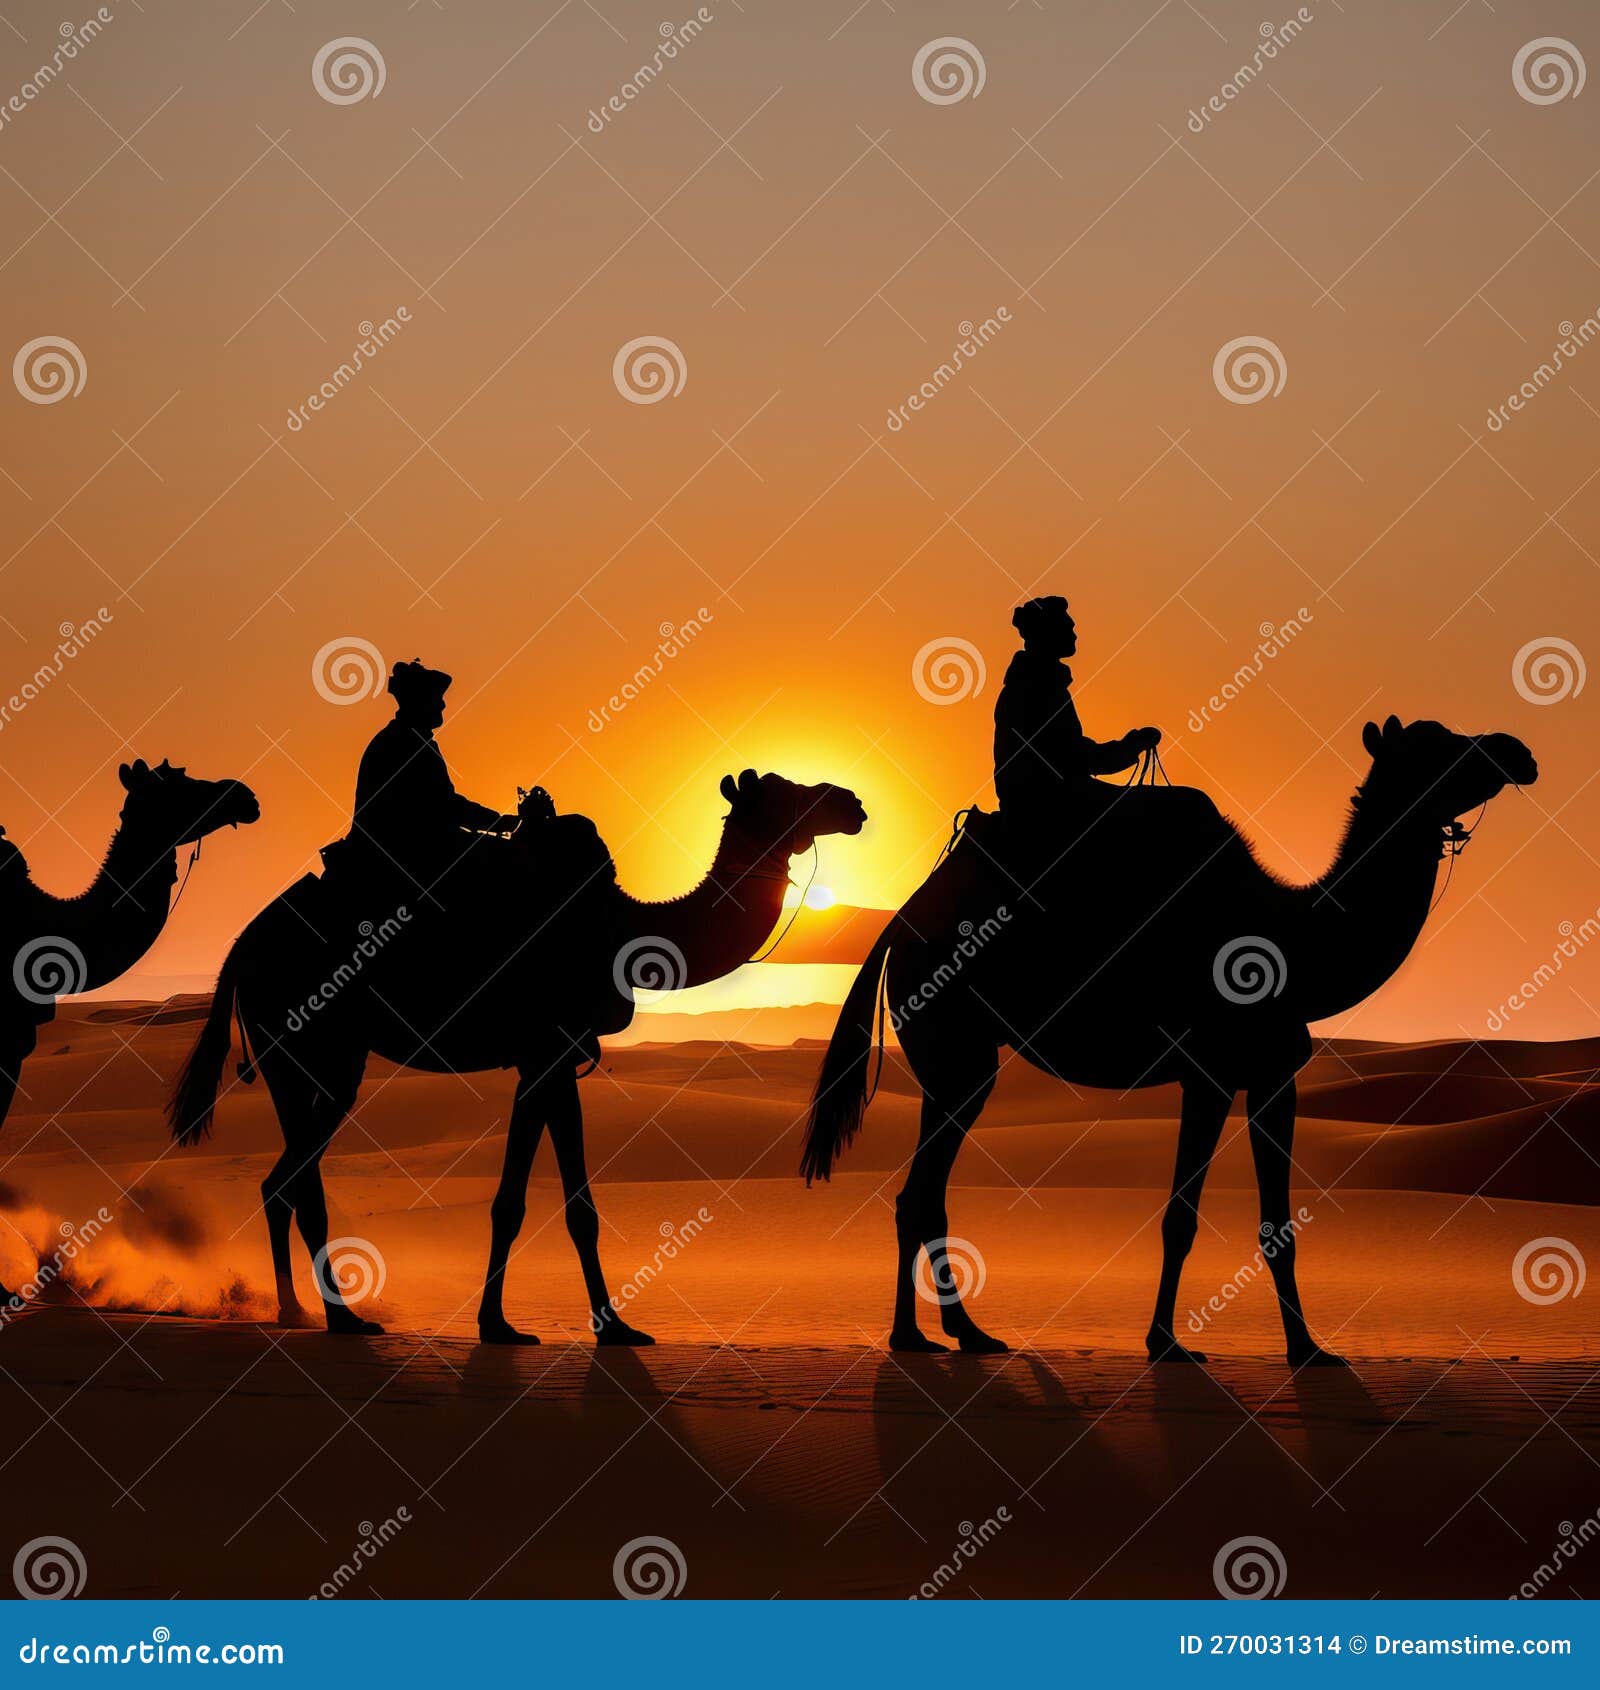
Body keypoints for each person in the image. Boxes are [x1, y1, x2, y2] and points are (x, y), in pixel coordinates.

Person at [350, 659, 520, 901]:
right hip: (404, 856)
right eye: (436, 697)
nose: (443, 704)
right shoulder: (405, 744)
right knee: (506, 861)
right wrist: (500, 823)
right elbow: (444, 808)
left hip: (404, 849)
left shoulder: (404, 740)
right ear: (419, 701)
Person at [993, 596, 1159, 816]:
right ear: (1049, 634)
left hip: (1057, 794)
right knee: (1184, 804)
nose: (1074, 635)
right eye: (1067, 628)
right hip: (1049, 801)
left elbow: (1071, 753)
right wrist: (1128, 748)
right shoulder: (1034, 689)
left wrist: (1127, 748)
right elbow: (1070, 755)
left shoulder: (1041, 684)